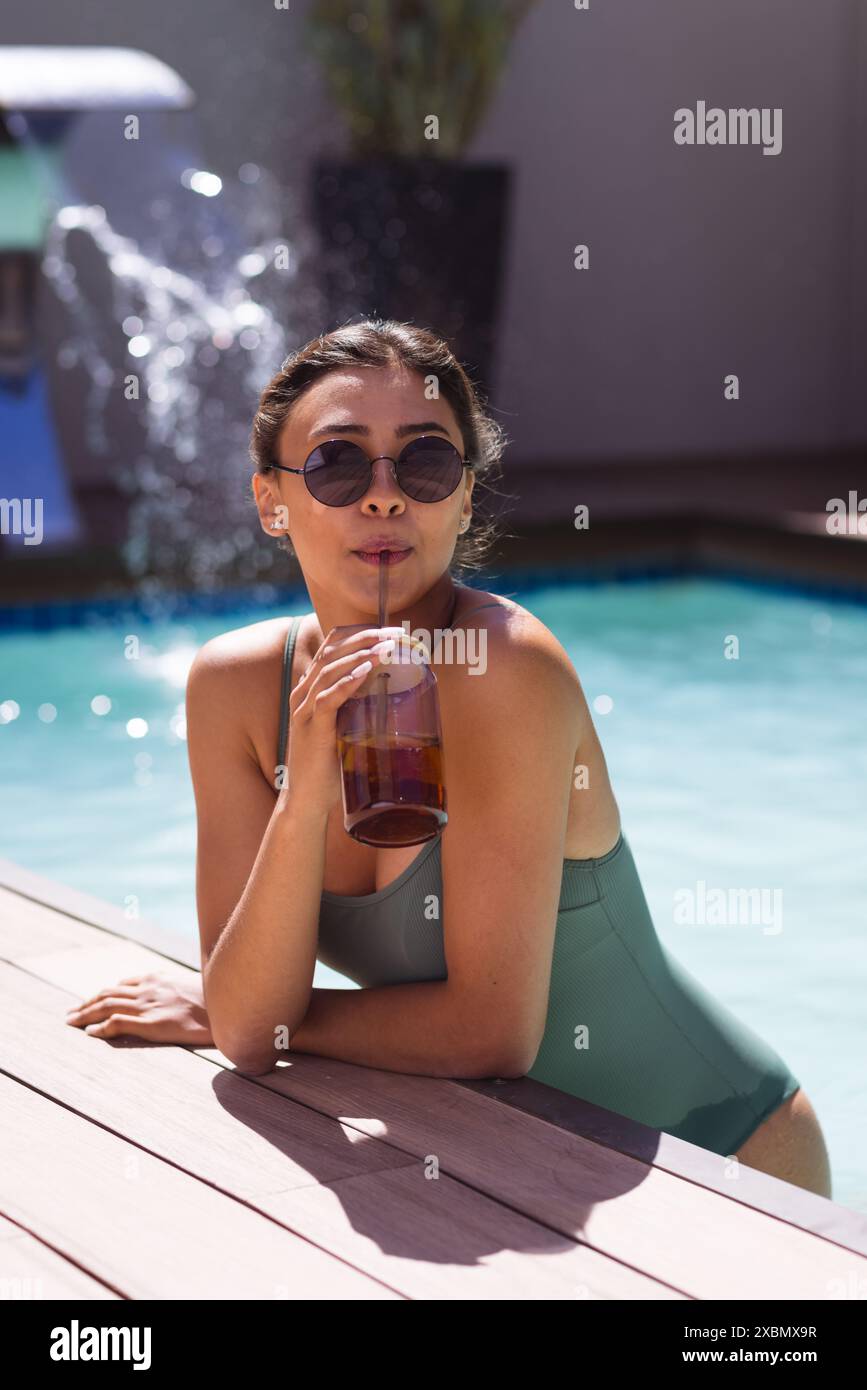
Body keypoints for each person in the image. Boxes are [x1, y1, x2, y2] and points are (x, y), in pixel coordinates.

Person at [65, 319, 832, 1199]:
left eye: (424, 464)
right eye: (337, 464)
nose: (384, 498)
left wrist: (273, 1020)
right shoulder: (235, 689)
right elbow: (246, 1028)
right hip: (521, 1172)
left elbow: (486, 1033)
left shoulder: (507, 665)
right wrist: (305, 785)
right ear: (271, 502)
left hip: (721, 1163)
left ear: (463, 499)